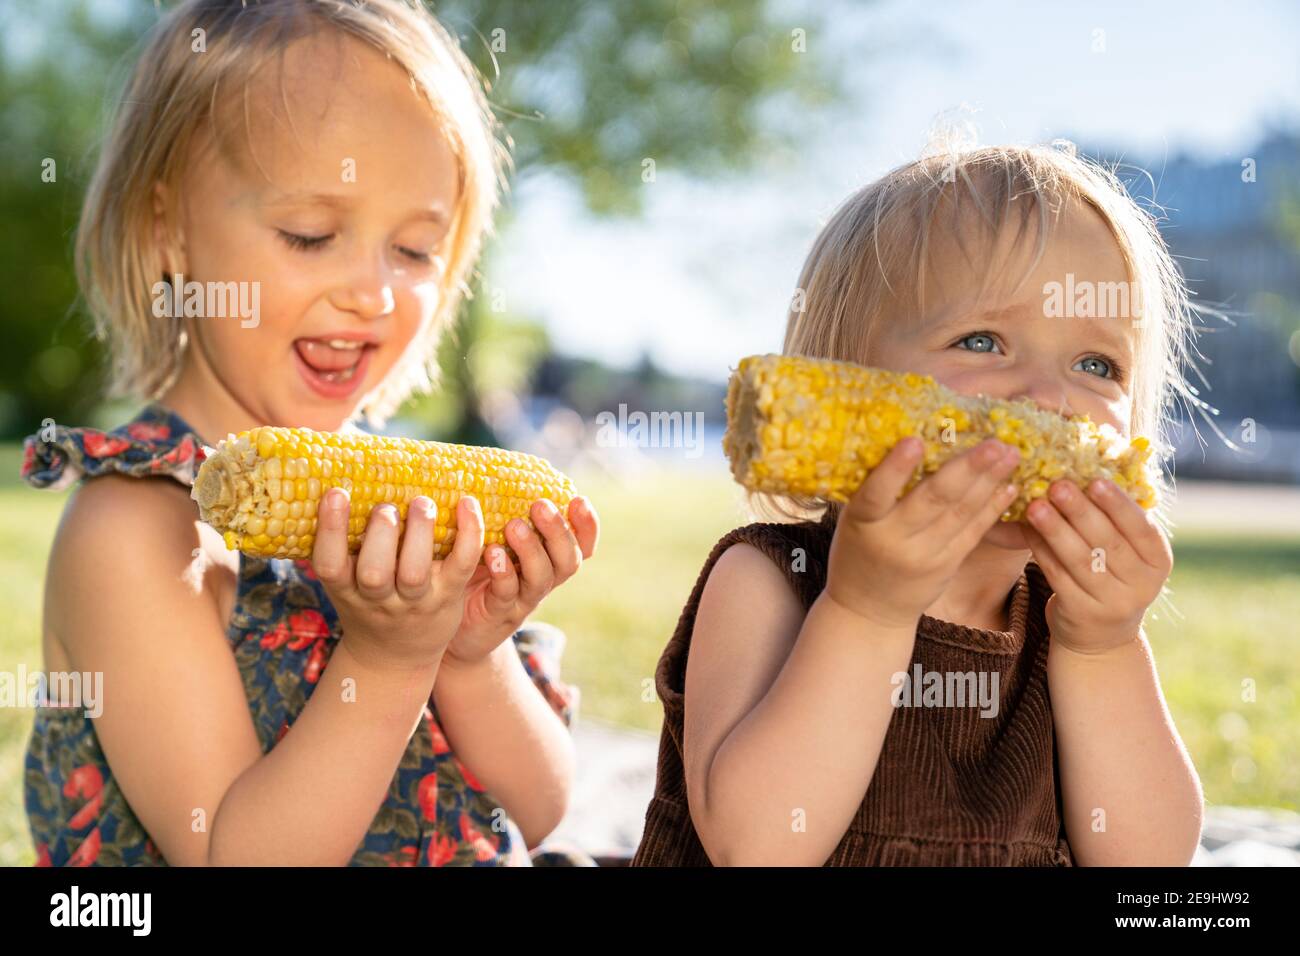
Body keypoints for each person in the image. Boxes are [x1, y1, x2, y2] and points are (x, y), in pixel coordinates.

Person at [22, 0, 598, 867]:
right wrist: (392, 660)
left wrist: (468, 656)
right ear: (165, 228)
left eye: (413, 251)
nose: (372, 293)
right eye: (311, 233)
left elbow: (548, 807)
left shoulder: (416, 500)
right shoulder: (136, 531)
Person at [633, 139, 1204, 866]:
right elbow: (760, 847)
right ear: (846, 377)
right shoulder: (769, 581)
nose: (1052, 399)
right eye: (982, 340)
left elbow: (1148, 868)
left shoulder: (1074, 628)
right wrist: (867, 612)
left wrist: (1106, 645)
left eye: (1097, 364)